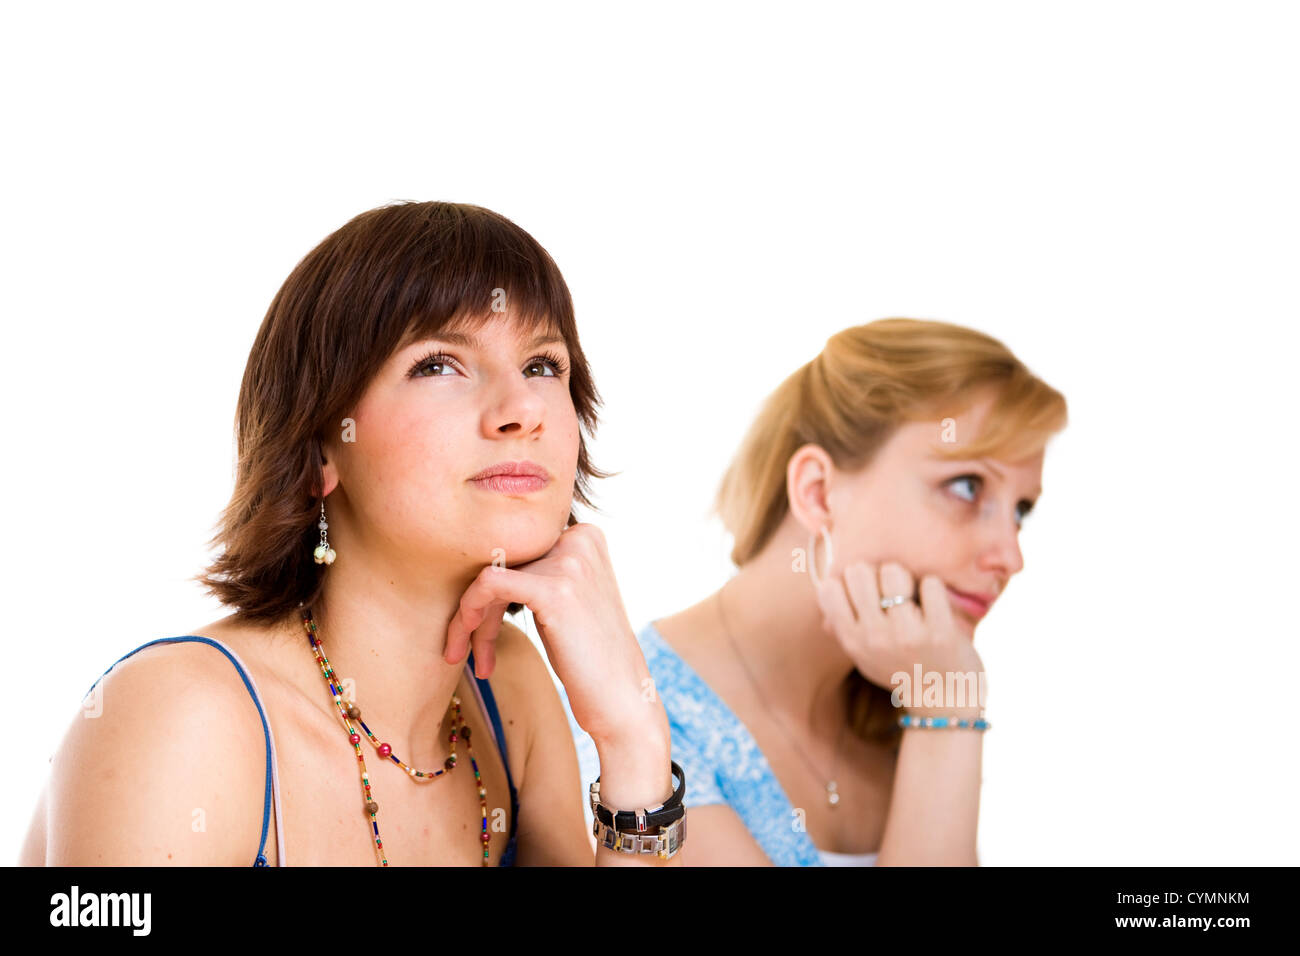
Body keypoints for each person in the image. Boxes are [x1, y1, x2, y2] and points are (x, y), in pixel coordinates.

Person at [21, 201, 683, 867]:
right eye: (438, 364)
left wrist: (634, 742)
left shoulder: (509, 693)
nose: (523, 411)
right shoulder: (182, 717)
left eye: (543, 365)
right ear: (319, 452)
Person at [561, 317, 1067, 864]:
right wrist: (946, 708)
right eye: (966, 486)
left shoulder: (897, 701)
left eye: (1020, 510)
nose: (1010, 557)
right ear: (819, 493)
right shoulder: (625, 722)